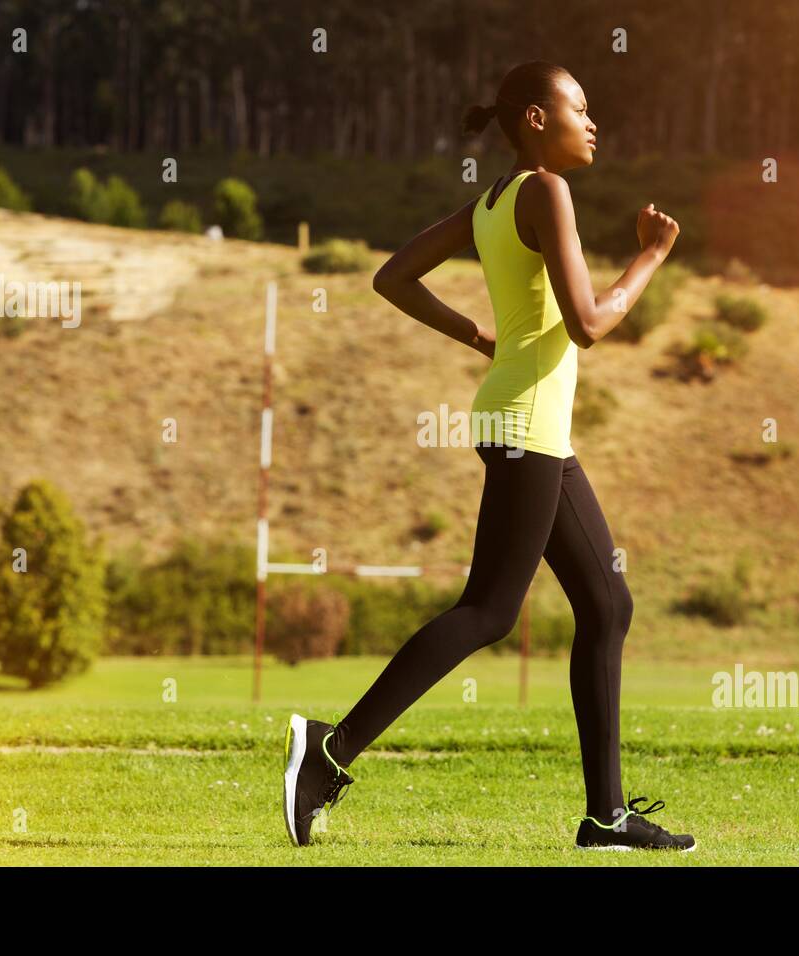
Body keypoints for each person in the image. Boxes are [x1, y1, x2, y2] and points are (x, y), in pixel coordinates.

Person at [283, 60, 693, 852]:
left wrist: (480, 336)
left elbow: (392, 276)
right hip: (525, 426)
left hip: (525, 423)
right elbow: (588, 324)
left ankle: (605, 816)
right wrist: (650, 257)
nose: (592, 121)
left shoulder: (492, 203)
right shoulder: (544, 191)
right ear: (537, 120)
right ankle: (327, 754)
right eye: (579, 107)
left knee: (608, 607)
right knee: (489, 610)